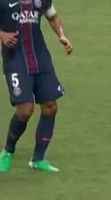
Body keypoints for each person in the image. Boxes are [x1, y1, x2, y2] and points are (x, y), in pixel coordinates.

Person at [1, 0, 72, 174]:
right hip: (15, 59)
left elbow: (52, 16)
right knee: (25, 110)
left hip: (40, 57)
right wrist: (1, 34)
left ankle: (38, 159)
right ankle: (7, 152)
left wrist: (61, 35)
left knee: (50, 106)